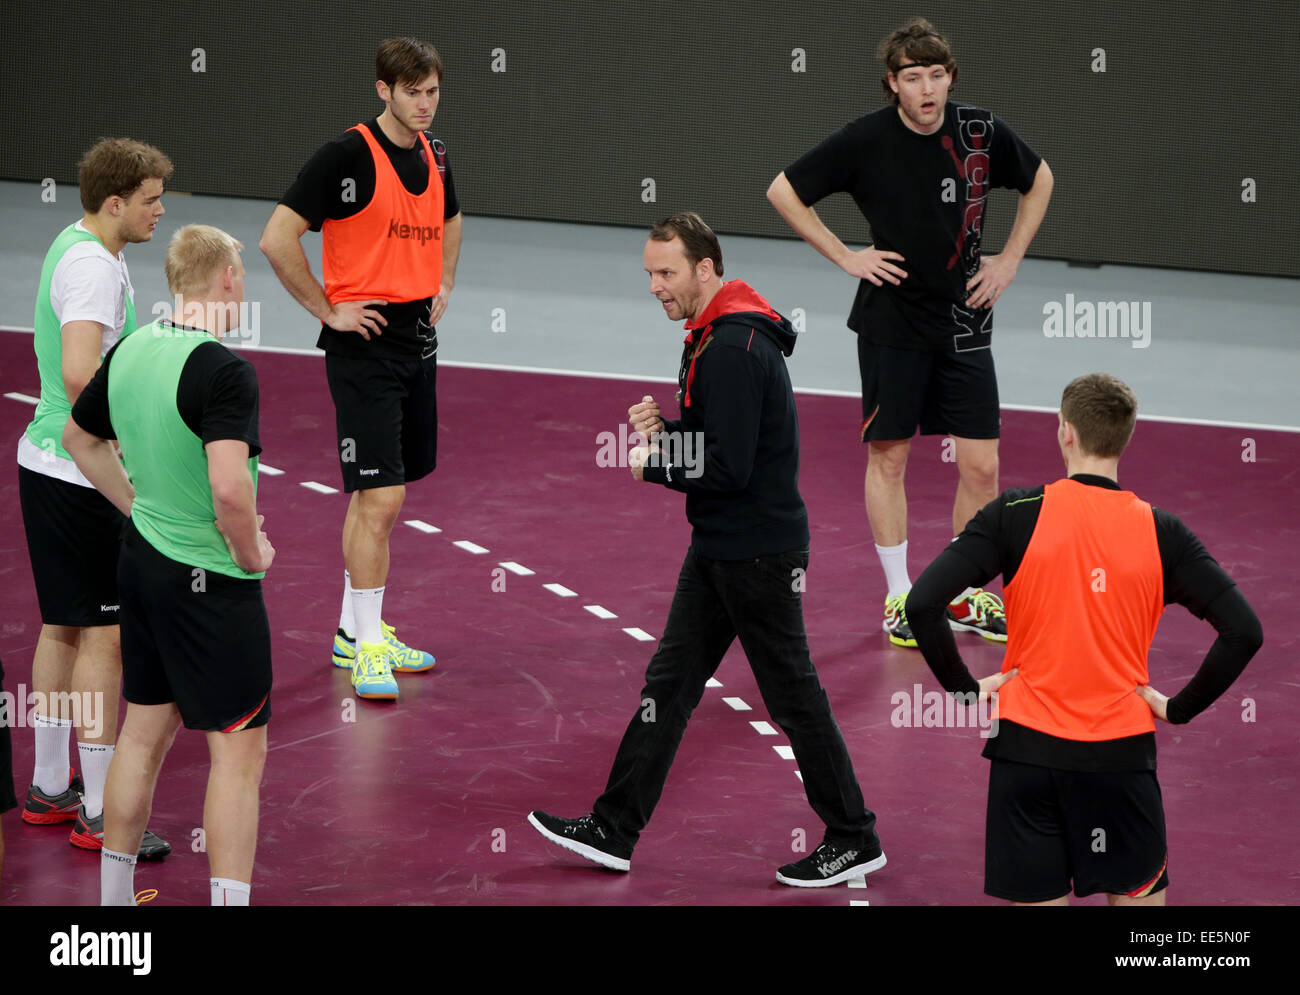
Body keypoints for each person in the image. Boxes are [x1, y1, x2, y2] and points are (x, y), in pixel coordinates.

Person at [529, 213, 885, 887]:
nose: (656, 287)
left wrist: (653, 464)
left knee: (794, 699)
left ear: (704, 268)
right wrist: (666, 431)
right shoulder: (715, 332)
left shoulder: (730, 347)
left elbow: (730, 469)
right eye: (649, 274)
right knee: (668, 686)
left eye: (666, 273)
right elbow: (716, 436)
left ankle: (854, 835)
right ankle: (614, 826)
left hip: (759, 559)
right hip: (722, 550)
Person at [906, 373, 1263, 905]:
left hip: (1027, 755)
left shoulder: (1014, 514)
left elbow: (922, 604)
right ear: (1125, 438)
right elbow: (1244, 631)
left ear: (1065, 432)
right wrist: (1179, 708)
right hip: (1120, 760)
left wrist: (963, 690)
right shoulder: (1164, 533)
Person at [767, 17, 1053, 648]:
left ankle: (959, 593)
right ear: (892, 85)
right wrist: (847, 257)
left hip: (965, 318)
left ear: (950, 77)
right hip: (891, 320)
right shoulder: (864, 140)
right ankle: (900, 597)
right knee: (890, 456)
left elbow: (1040, 180)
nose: (927, 89)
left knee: (982, 465)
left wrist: (1007, 261)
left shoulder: (979, 133)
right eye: (912, 77)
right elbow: (784, 191)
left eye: (936, 75)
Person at [65, 224, 274, 906]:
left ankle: (115, 901)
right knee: (237, 755)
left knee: (144, 732)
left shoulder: (129, 349)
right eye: (242, 277)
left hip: (143, 566)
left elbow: (79, 439)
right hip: (212, 583)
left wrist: (135, 506)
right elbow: (228, 489)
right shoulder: (225, 371)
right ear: (226, 281)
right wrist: (252, 553)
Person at [260, 36, 461, 701]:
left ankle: (355, 630)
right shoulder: (346, 156)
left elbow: (451, 217)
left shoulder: (435, 154)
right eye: (413, 93)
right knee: (382, 496)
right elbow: (277, 235)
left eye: (432, 92)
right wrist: (329, 310)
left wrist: (445, 281)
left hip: (416, 337)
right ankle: (368, 644)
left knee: (376, 496)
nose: (425, 105)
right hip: (364, 342)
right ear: (384, 90)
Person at [16, 137, 171, 858]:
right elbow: (81, 374)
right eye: (150, 200)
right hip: (79, 472)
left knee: (63, 625)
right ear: (116, 202)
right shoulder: (93, 270)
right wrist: (128, 449)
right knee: (104, 635)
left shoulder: (78, 244)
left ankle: (51, 785)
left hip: (44, 462)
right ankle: (105, 809)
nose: (159, 211)